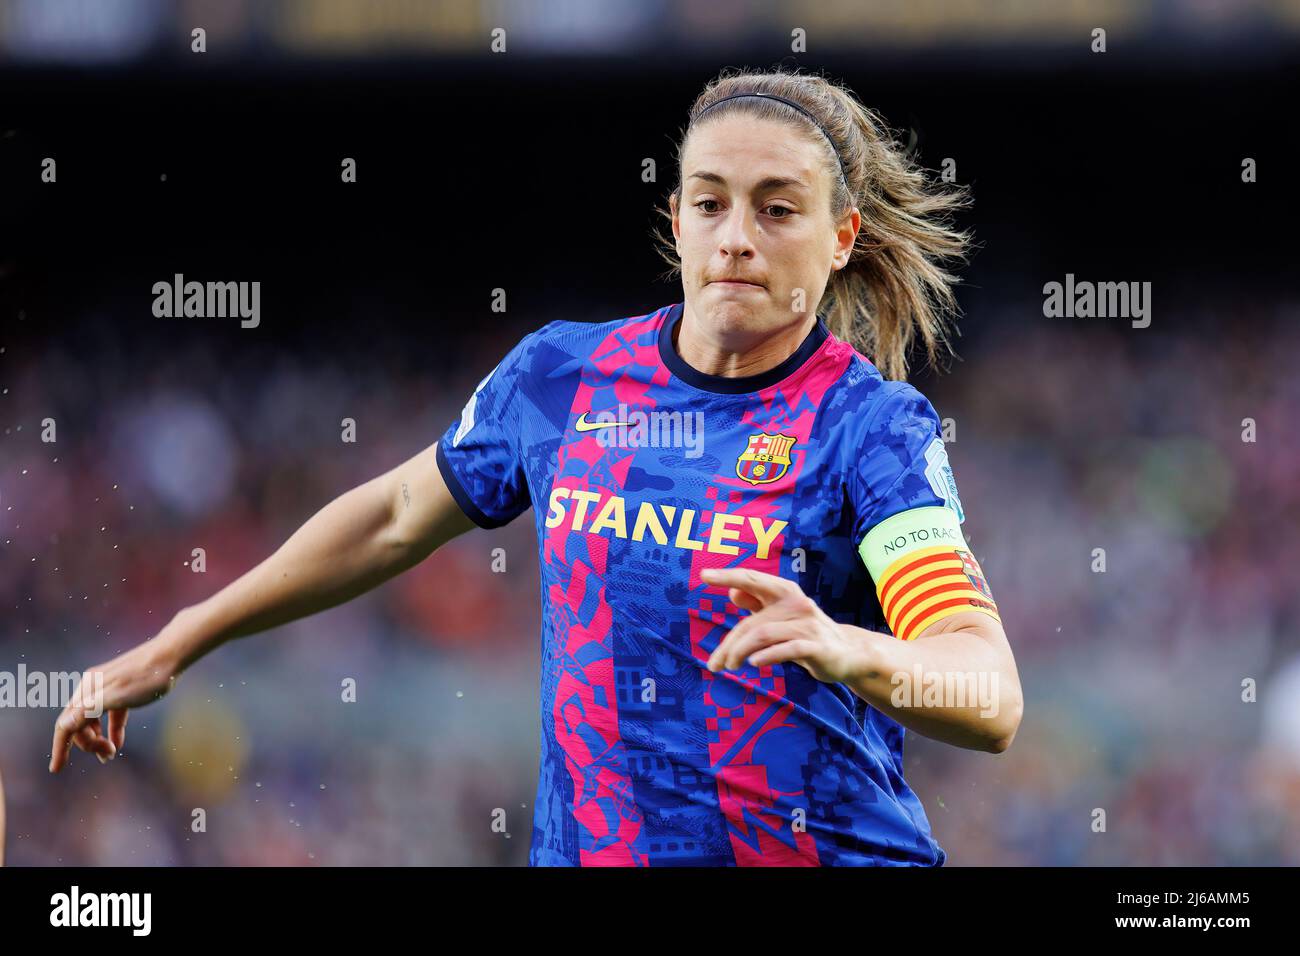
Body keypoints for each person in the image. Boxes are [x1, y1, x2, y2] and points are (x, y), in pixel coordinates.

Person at [50, 67, 1021, 866]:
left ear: (840, 236)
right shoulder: (564, 377)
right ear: (674, 219)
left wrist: (853, 649)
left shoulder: (870, 428)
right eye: (711, 203)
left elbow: (989, 694)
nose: (736, 237)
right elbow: (393, 515)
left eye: (777, 210)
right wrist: (184, 633)